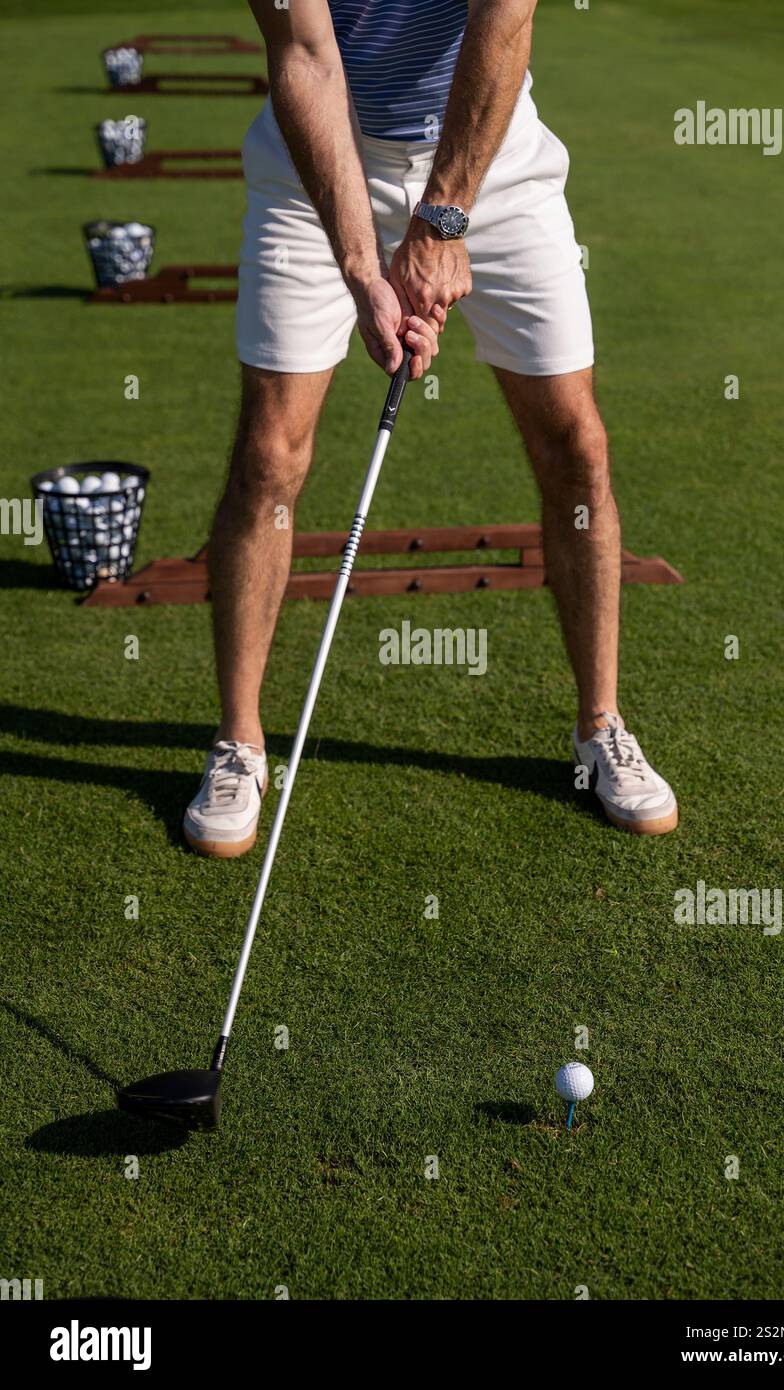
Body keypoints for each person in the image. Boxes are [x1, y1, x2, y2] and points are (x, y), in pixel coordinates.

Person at [183, 0, 678, 857]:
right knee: (269, 452)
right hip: (319, 160)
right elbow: (304, 54)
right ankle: (240, 743)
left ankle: (601, 725)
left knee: (576, 444)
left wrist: (442, 218)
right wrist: (361, 265)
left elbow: (505, 15)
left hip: (490, 148)